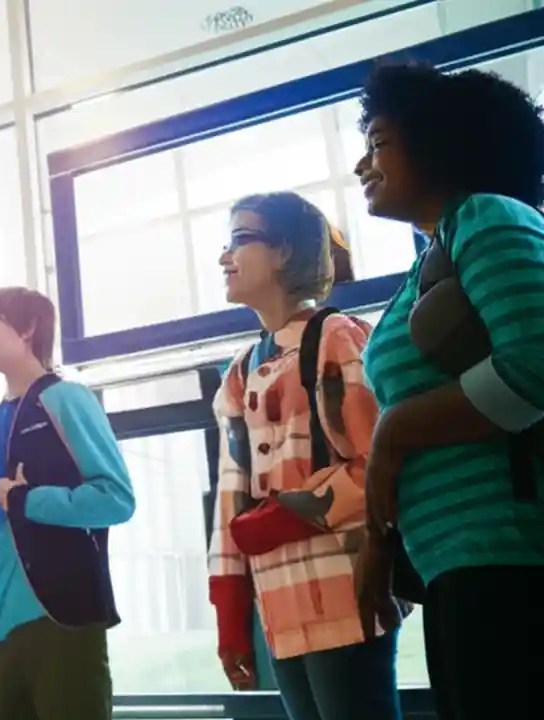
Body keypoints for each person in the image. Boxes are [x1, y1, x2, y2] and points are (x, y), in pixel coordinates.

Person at [353, 63, 544, 719]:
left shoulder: (485, 218)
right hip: (463, 567)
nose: (361, 164)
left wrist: (394, 432)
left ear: (439, 142)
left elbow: (537, 364)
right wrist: (382, 540)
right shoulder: (432, 254)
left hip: (510, 559)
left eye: (378, 142)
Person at [207, 191, 404, 720]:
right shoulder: (240, 371)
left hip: (348, 594)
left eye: (241, 240)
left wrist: (285, 515)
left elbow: (380, 466)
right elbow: (230, 504)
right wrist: (230, 615)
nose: (225, 257)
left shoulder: (337, 337)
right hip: (277, 609)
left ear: (286, 252)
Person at [0, 287, 136, 720]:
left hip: (58, 616)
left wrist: (29, 499)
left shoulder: (66, 398)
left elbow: (116, 499)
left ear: (27, 328)